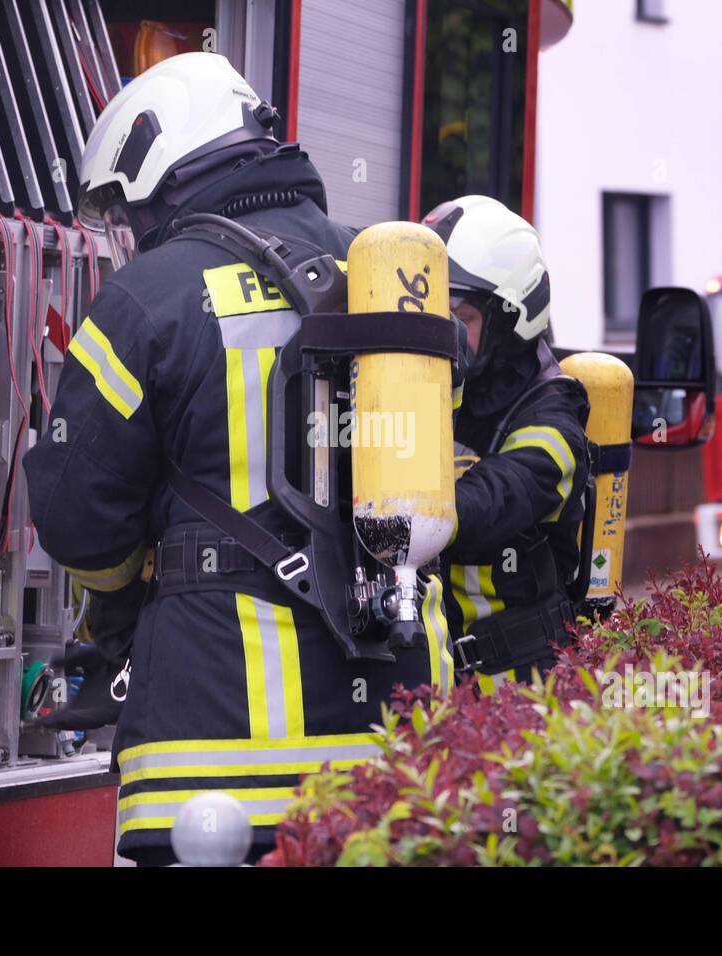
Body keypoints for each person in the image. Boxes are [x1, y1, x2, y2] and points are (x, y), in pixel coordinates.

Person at [23, 52, 453, 866]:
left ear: (165, 170)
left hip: (215, 758)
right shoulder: (382, 272)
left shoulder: (150, 295)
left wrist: (118, 621)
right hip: (403, 756)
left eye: (130, 206)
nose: (134, 226)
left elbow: (79, 515)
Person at [422, 195, 590, 690]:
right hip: (435, 678)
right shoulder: (432, 397)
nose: (439, 335)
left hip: (521, 687)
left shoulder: (553, 423)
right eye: (428, 312)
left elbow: (486, 504)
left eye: (460, 318)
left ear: (512, 317)